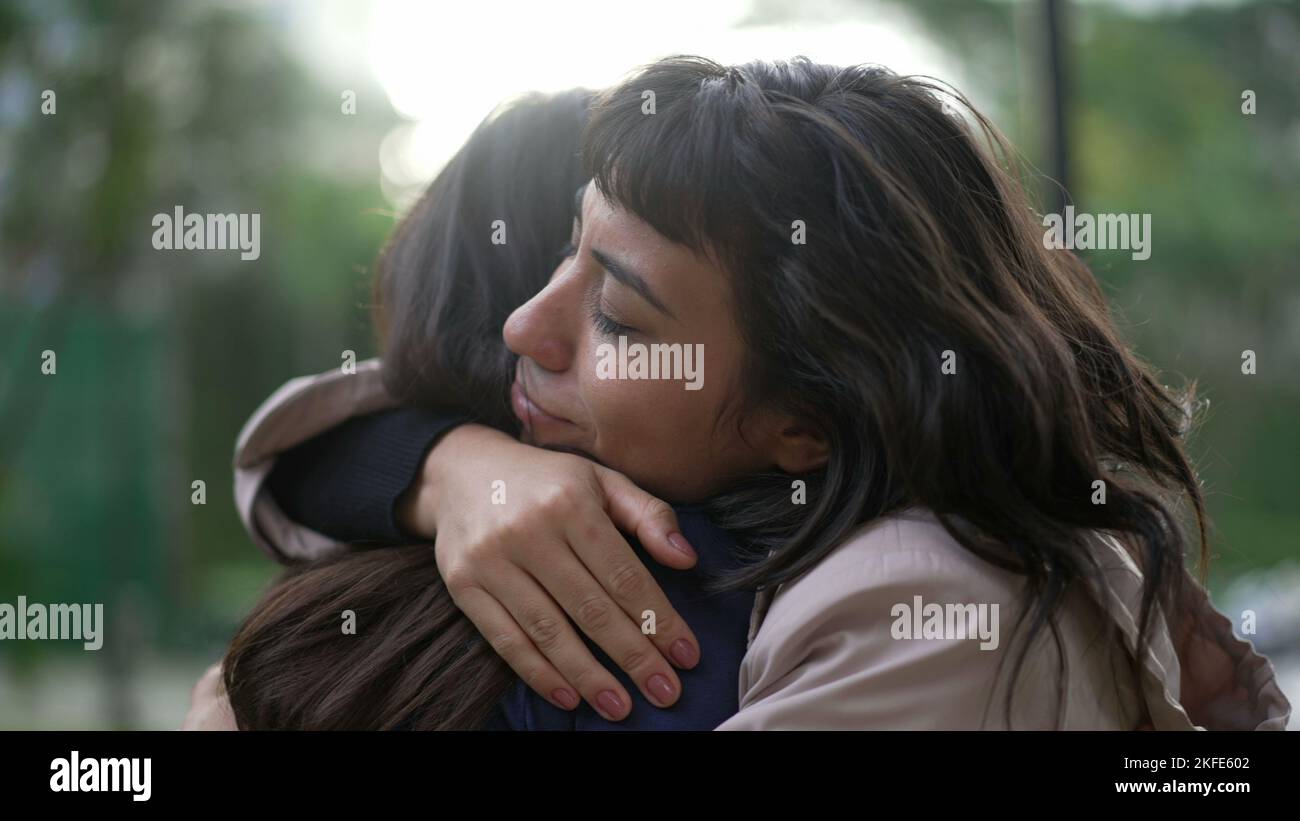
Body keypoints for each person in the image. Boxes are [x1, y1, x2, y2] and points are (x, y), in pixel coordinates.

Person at [191, 56, 1290, 731]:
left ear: (802, 420)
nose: (526, 325)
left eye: (618, 317)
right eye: (564, 253)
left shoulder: (908, 605)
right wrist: (455, 469)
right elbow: (297, 446)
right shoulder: (774, 524)